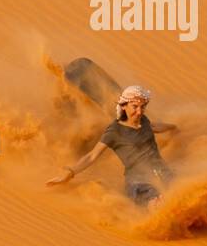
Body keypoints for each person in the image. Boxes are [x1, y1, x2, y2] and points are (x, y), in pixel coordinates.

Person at [46, 84, 177, 206]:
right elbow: (92, 156)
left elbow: (154, 126)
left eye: (142, 107)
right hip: (139, 182)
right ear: (124, 106)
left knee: (177, 193)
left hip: (162, 172)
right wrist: (69, 173)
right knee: (156, 203)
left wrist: (175, 127)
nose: (139, 112)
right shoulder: (115, 131)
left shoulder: (144, 120)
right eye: (135, 107)